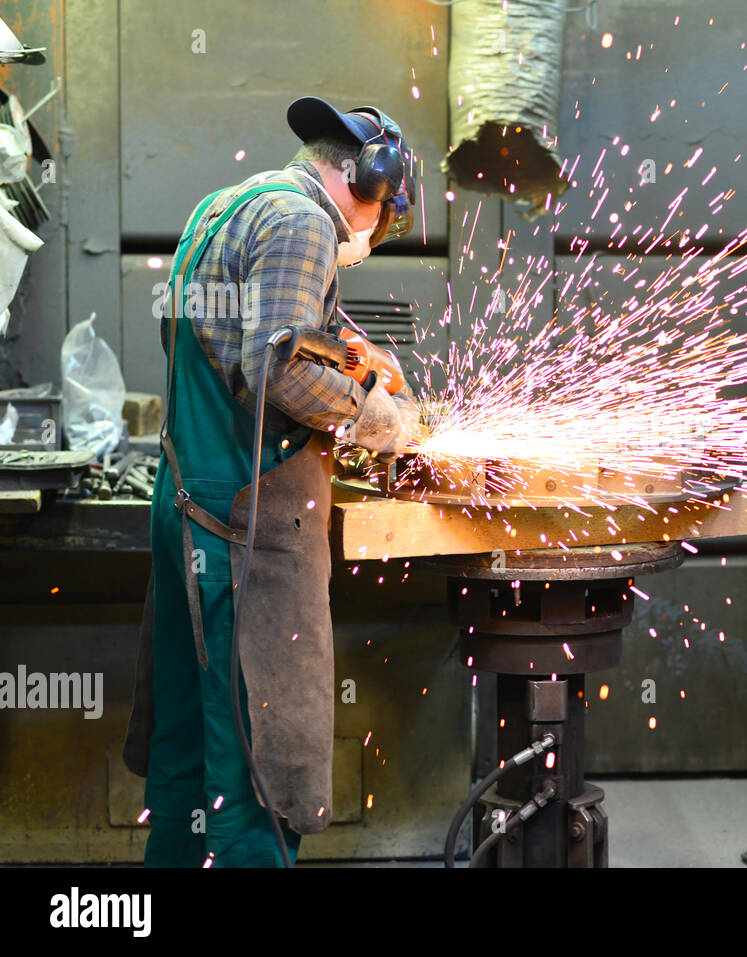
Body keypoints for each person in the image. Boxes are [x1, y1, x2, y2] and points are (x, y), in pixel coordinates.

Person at [123, 96, 421, 867]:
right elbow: (276, 366)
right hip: (243, 531)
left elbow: (261, 330)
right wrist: (373, 417)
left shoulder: (228, 205)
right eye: (383, 209)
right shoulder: (304, 222)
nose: (373, 231)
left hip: (189, 506)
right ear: (369, 173)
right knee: (257, 760)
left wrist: (360, 360)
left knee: (189, 757)